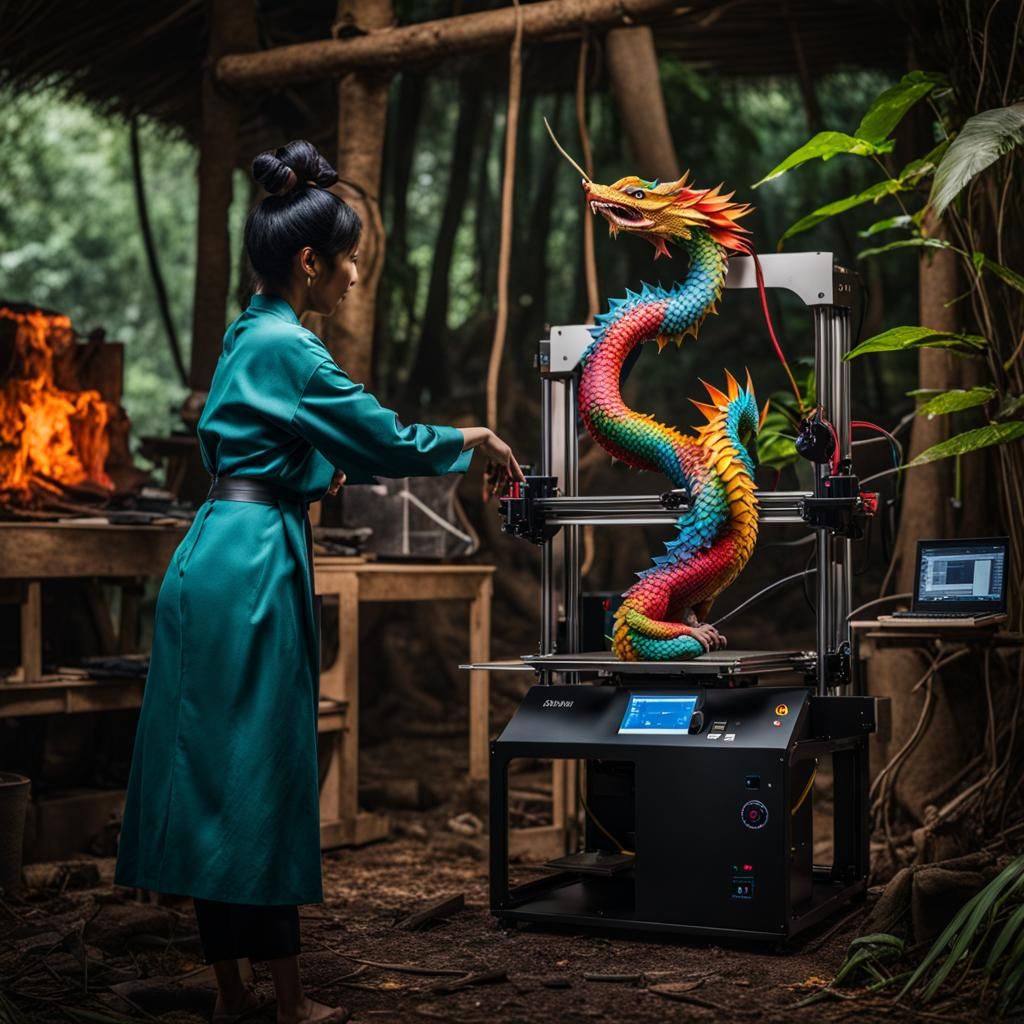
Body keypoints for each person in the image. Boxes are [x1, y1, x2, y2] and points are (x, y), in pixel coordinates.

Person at [114, 139, 524, 1024]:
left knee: (213, 776)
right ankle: (290, 1005)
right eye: (349, 261)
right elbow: (382, 439)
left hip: (211, 551)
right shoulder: (293, 350)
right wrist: (473, 438)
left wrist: (310, 469)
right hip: (253, 568)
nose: (353, 277)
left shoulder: (245, 333)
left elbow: (271, 445)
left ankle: (235, 994)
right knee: (261, 775)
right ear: (310, 261)